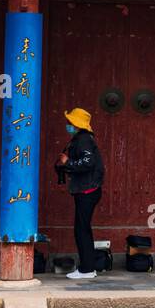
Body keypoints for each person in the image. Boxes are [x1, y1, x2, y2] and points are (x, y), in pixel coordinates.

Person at [55, 107, 104, 279]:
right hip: (86, 190)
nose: (68, 125)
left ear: (76, 124)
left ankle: (87, 269)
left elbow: (87, 163)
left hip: (87, 191)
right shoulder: (81, 139)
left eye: (70, 122)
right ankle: (87, 267)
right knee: (82, 229)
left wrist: (68, 161)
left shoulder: (83, 140)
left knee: (82, 230)